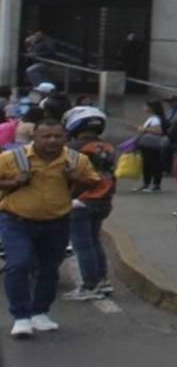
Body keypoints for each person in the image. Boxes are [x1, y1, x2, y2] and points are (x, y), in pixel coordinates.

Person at [0, 118, 100, 337]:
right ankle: (21, 317)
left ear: (65, 137)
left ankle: (40, 312)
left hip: (56, 222)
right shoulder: (11, 158)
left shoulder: (76, 160)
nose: (52, 141)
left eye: (57, 136)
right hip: (17, 221)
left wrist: (77, 179)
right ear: (34, 137)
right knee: (19, 264)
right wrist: (14, 182)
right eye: (46, 136)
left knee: (48, 269)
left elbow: (94, 182)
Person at [62, 107, 117, 301]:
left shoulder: (73, 148)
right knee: (94, 241)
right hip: (103, 200)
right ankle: (103, 281)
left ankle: (89, 285)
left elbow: (67, 175)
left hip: (81, 200)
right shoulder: (107, 146)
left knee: (82, 245)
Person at [134, 99, 168, 192]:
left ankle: (155, 184)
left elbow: (158, 131)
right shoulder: (152, 118)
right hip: (148, 144)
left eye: (146, 106)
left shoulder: (155, 119)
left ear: (151, 108)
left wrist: (144, 129)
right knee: (148, 164)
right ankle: (147, 183)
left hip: (152, 144)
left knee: (153, 164)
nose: (144, 108)